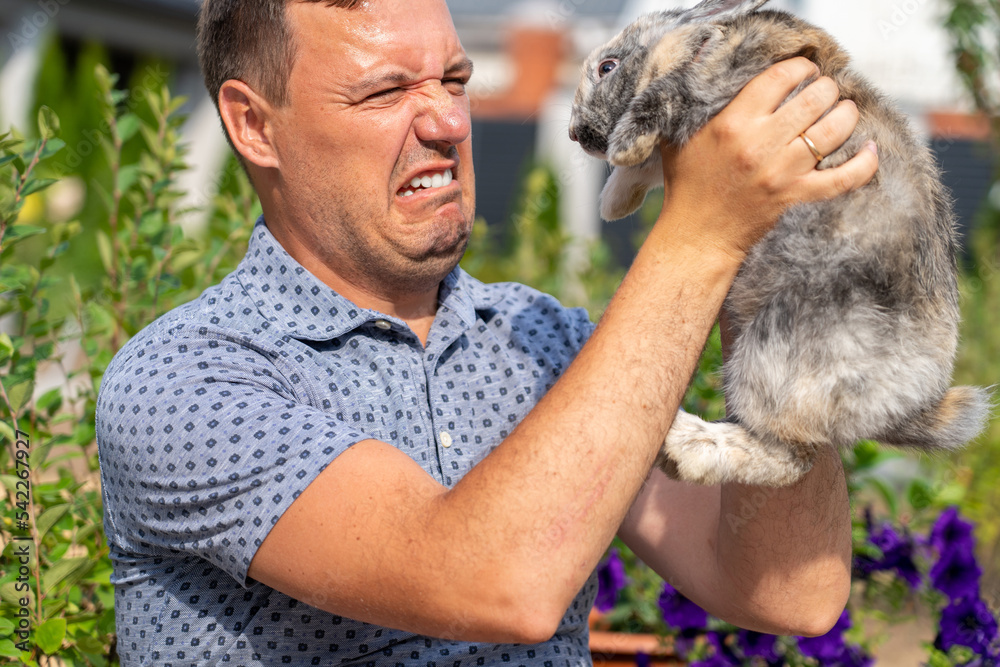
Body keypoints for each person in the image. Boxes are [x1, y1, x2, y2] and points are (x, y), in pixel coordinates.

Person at [95, 0, 880, 665]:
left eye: (454, 79)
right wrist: (704, 233)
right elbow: (499, 580)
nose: (445, 120)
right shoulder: (183, 382)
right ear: (253, 125)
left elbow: (790, 591)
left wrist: (767, 263)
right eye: (385, 92)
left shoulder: (543, 340)